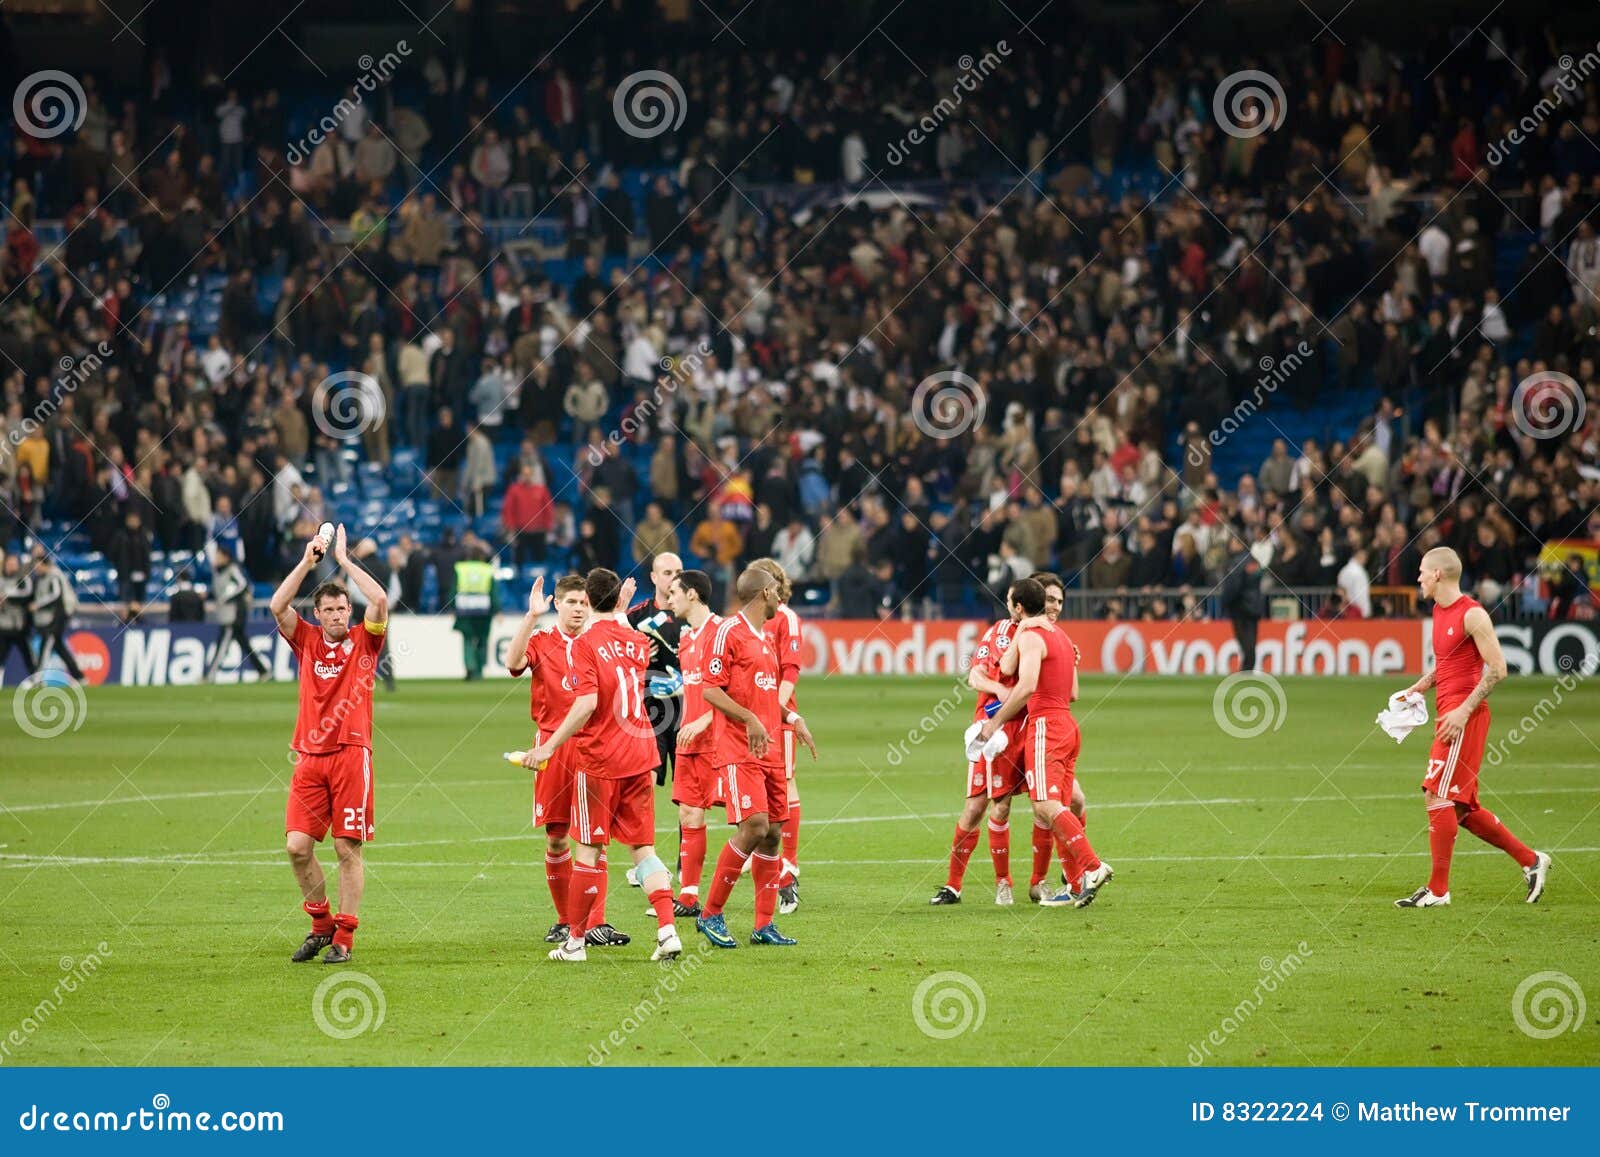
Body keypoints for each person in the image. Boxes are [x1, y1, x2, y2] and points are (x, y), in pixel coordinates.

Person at [528, 569, 683, 963]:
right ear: (618, 602)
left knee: (588, 851)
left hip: (601, 759)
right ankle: (667, 930)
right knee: (643, 849)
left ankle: (575, 942)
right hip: (642, 753)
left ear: (588, 599)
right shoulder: (634, 640)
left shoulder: (584, 644)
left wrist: (548, 747)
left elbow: (586, 704)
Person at [1392, 547, 1549, 908]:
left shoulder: (1473, 615)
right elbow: (1448, 663)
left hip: (1464, 718)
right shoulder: (1438, 611)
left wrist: (1463, 710)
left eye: (1421, 572)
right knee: (1460, 809)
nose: (1418, 577)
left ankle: (1438, 890)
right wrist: (1423, 684)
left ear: (1439, 575)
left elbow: (1498, 669)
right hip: (1448, 714)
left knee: (1436, 796)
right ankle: (1531, 860)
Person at [269, 524, 389, 964]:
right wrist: (308, 561)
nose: (339, 616)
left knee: (345, 848)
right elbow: (276, 605)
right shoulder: (305, 640)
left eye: (343, 609)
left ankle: (345, 937)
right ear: (318, 614)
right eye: (331, 610)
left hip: (351, 754)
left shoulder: (365, 641)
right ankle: (320, 925)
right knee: (297, 848)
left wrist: (344, 561)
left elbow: (379, 600)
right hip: (309, 758)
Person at [694, 566, 818, 949]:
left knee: (774, 834)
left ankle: (763, 925)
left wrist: (793, 718)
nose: (781, 597)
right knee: (754, 826)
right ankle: (710, 913)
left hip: (770, 751)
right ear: (764, 593)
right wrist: (748, 718)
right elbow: (710, 689)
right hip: (738, 750)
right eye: (777, 591)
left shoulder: (764, 639)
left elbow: (763, 697)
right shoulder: (727, 633)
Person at [982, 577, 1113, 908]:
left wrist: (995, 722)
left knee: (1044, 805)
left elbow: (1022, 684)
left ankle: (1093, 867)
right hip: (1069, 724)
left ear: (1019, 608)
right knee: (1062, 806)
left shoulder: (1031, 634)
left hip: (1045, 728)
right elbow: (1072, 692)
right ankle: (1073, 884)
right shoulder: (1061, 636)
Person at [508, 573, 617, 945]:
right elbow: (513, 662)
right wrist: (530, 616)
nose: (578, 609)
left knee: (594, 838)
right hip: (550, 747)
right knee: (557, 839)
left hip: (592, 745)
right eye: (571, 602)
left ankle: (595, 923)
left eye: (584, 603)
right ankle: (565, 920)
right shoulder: (542, 641)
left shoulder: (596, 644)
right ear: (557, 603)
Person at [929, 595, 1027, 907]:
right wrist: (999, 689)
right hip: (991, 728)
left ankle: (1011, 883)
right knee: (974, 809)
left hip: (1026, 730)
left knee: (1017, 807)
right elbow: (974, 675)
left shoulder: (1042, 637)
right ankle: (952, 886)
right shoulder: (998, 632)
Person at [749, 557, 805, 912]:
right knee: (757, 782)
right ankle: (759, 851)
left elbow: (790, 671)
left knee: (784, 782)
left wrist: (774, 711)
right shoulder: (753, 620)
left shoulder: (786, 619)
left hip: (776, 717)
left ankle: (789, 862)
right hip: (751, 717)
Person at [664, 568, 721, 915]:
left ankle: (779, 879)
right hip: (689, 738)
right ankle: (688, 895)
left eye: (673, 593)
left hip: (719, 740)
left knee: (752, 823)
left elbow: (737, 691)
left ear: (693, 594)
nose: (669, 599)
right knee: (689, 814)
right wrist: (674, 691)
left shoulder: (723, 633)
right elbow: (698, 685)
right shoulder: (686, 639)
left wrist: (703, 720)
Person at [627, 552, 685, 790]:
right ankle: (642, 829)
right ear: (653, 577)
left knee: (689, 793)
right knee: (646, 784)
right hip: (649, 711)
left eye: (678, 574)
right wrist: (637, 657)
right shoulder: (635, 617)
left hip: (687, 711)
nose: (674, 579)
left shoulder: (694, 616)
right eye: (667, 573)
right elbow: (614, 660)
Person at [206, 547, 271, 682]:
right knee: (243, 642)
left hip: (234, 613)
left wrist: (226, 597)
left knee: (223, 642)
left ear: (226, 557)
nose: (216, 559)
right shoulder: (217, 573)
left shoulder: (232, 569)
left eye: (218, 556)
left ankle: (210, 675)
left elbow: (242, 584)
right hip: (226, 612)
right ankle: (263, 671)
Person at [29, 555, 84, 681]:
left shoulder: (53, 575)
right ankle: (79, 676)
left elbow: (56, 595)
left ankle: (37, 677)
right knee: (58, 646)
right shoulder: (43, 577)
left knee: (46, 643)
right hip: (57, 614)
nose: (36, 569)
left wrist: (37, 605)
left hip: (61, 613)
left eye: (38, 566)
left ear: (46, 565)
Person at [1218, 535, 1264, 672]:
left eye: (1232, 543)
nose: (1230, 546)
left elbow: (1233, 586)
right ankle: (1248, 666)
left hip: (1240, 605)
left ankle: (1247, 667)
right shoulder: (1253, 560)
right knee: (1251, 637)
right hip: (1254, 603)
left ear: (1240, 544)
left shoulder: (1236, 562)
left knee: (1244, 638)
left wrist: (1225, 601)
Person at [452, 544, 496, 679]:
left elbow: (453, 589)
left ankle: (469, 665)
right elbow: (494, 591)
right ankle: (479, 669)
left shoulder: (460, 568)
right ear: (482, 557)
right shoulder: (488, 569)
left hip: (464, 608)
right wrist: (497, 609)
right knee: (482, 639)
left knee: (467, 639)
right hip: (484, 609)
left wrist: (452, 607)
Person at [0, 554, 37, 677]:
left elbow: (26, 594)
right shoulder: (1, 580)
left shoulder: (23, 580)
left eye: (14, 564)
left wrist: (6, 597)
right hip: (3, 626)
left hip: (20, 626)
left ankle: (37, 680)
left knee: (28, 656)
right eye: (9, 564)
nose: (11, 567)